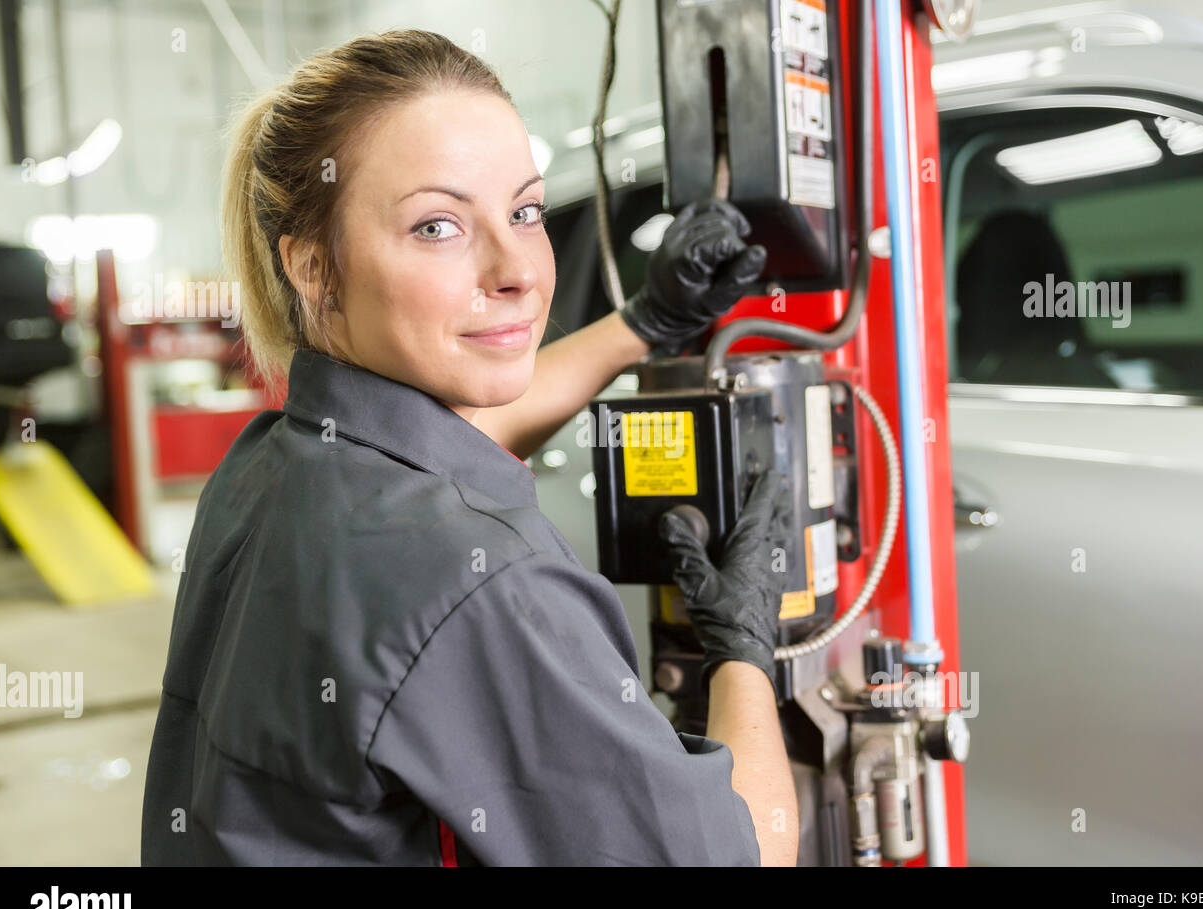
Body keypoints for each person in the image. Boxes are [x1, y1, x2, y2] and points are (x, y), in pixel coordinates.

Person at [140, 28, 798, 866]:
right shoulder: (483, 585)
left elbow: (448, 451)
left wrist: (643, 324)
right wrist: (743, 653)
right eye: (438, 227)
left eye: (523, 211)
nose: (518, 267)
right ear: (312, 268)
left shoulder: (269, 465)